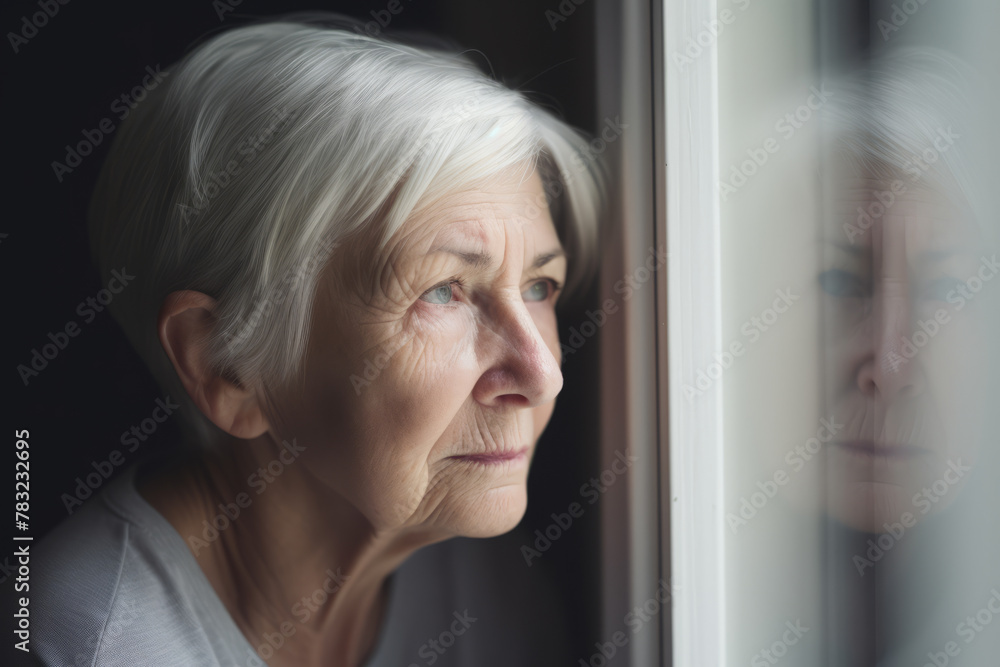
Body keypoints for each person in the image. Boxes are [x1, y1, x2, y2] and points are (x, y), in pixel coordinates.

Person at [33, 15, 604, 667]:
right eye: (443, 291)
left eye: (539, 286)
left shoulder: (480, 583)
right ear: (227, 362)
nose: (542, 373)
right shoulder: (84, 641)